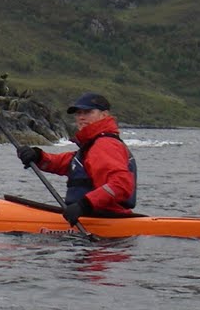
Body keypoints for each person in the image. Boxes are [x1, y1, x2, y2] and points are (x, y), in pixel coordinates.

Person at [16, 92, 138, 224]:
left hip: (104, 220)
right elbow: (68, 162)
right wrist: (37, 156)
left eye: (87, 112)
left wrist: (84, 205)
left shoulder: (105, 145)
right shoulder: (92, 146)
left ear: (104, 115)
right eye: (79, 113)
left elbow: (121, 185)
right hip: (94, 217)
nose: (81, 117)